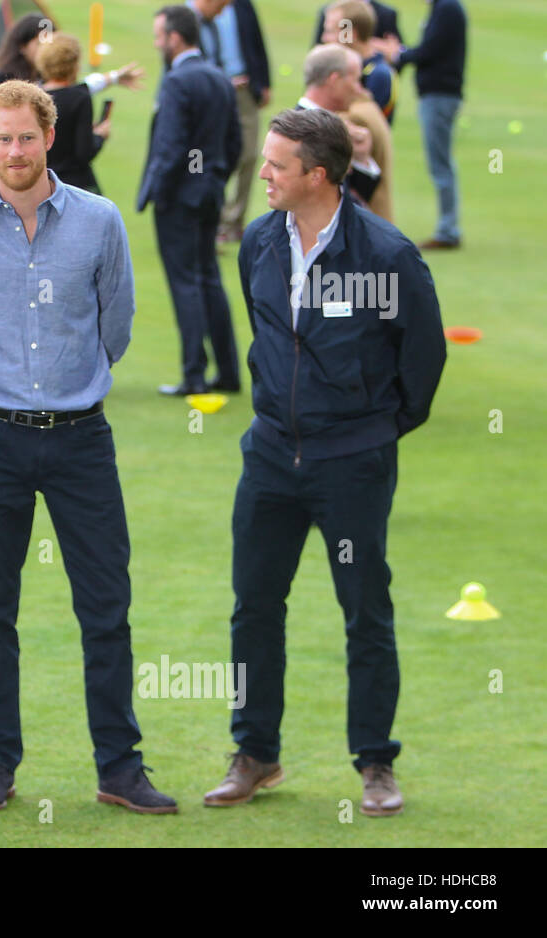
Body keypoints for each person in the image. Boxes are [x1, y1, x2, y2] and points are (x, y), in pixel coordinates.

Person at [0, 79, 177, 815]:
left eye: (26, 137)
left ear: (49, 138)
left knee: (106, 607)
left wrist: (68, 382)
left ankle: (119, 767)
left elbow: (117, 322)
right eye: (2, 138)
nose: (15, 151)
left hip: (81, 439)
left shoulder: (99, 222)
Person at [207, 107, 445, 816]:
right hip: (271, 459)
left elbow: (422, 361)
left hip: (353, 465)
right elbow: (269, 339)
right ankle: (255, 753)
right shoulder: (258, 242)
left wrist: (368, 433)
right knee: (253, 608)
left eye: (277, 165)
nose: (264, 174)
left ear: (317, 174)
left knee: (365, 613)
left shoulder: (388, 255)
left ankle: (375, 762)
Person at [137, 5, 241, 397]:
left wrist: (157, 191)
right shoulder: (219, 77)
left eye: (159, 35)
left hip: (180, 197)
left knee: (186, 283)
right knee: (209, 278)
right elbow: (234, 144)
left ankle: (194, 374)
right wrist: (213, 178)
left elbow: (171, 146)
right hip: (209, 192)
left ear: (175, 37)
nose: (156, 42)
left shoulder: (178, 81)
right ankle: (228, 372)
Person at [373, 0, 466, 250]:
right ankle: (449, 228)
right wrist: (399, 53)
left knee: (440, 163)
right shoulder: (443, 7)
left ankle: (448, 230)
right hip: (437, 94)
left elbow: (429, 52)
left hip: (440, 94)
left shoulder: (447, 8)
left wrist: (397, 53)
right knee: (440, 162)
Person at [299, 45, 386, 212]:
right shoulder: (298, 132)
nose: (360, 90)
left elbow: (353, 203)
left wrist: (361, 160)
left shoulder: (332, 127)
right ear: (334, 80)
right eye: (355, 80)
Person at [214, 0, 272, 243]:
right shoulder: (195, 8)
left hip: (245, 90)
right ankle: (213, 221)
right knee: (210, 158)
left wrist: (264, 83)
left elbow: (257, 42)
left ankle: (234, 221)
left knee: (249, 156)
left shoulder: (242, 5)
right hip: (214, 91)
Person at [37, 32, 109, 195]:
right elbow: (84, 152)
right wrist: (99, 136)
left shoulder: (35, 95)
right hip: (73, 185)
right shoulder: (80, 98)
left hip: (41, 182)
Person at [323, 0, 395, 124]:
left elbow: (363, 125)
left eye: (331, 31)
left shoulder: (378, 74)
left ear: (350, 33)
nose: (324, 38)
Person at [313, 0, 401, 47]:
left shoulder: (386, 13)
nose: (325, 38)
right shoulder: (329, 10)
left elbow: (397, 51)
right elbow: (318, 45)